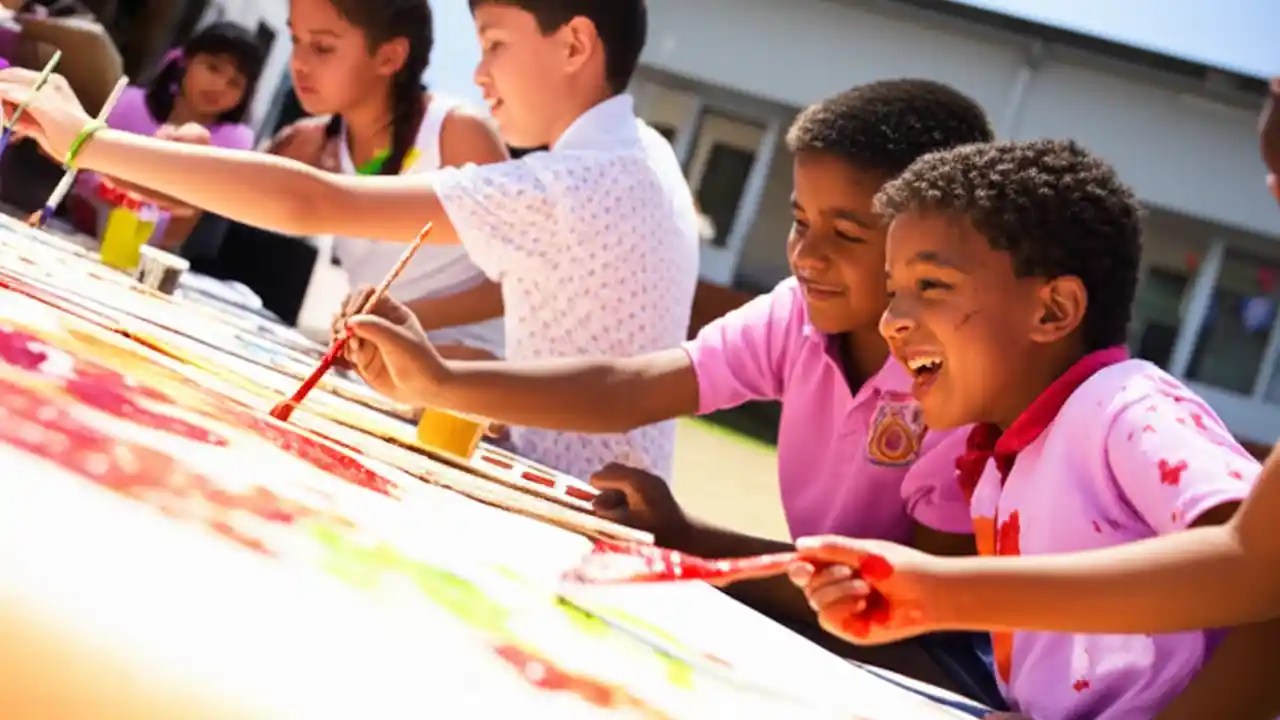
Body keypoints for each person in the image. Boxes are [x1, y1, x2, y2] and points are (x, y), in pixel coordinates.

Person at [334, 79, 1003, 705]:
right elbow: (629, 386)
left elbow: (905, 609)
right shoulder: (795, 317)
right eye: (800, 222)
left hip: (930, 669)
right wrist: (441, 381)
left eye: (847, 234)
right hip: (823, 618)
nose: (808, 256)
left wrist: (691, 538)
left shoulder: (964, 386)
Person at [0, 0, 700, 482]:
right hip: (553, 461)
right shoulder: (638, 155)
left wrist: (89, 140)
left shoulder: (571, 180)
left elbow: (311, 202)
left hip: (570, 493)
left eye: (495, 46)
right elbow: (278, 187)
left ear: (575, 44)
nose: (481, 72)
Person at [786, 138, 1279, 720]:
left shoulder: (1126, 407)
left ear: (1053, 311)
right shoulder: (1000, 462)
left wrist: (936, 593)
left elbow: (1267, 589)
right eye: (894, 291)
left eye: (931, 286)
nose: (891, 321)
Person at [271, 0, 507, 361]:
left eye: (322, 47)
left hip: (469, 369)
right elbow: (221, 196)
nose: (299, 62)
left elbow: (520, 279)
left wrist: (398, 318)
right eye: (295, 40)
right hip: (371, 361)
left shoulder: (456, 133)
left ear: (389, 57)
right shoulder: (310, 143)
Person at [66, 21, 263, 249]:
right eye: (213, 68)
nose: (219, 86)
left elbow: (179, 230)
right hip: (73, 229)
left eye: (234, 83)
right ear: (187, 59)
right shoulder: (126, 103)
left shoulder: (234, 143)